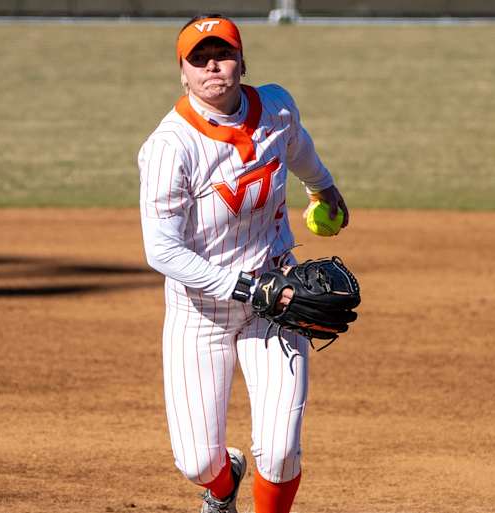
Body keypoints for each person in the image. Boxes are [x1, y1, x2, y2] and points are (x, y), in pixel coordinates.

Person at [138, 14, 349, 513]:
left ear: (242, 61)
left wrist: (322, 185)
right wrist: (242, 287)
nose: (213, 67)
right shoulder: (170, 148)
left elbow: (296, 146)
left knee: (278, 451)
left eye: (223, 54)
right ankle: (222, 485)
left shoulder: (275, 106)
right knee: (195, 462)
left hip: (276, 303)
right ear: (183, 73)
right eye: (199, 59)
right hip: (200, 312)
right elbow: (162, 250)